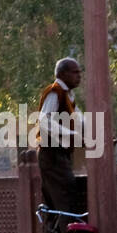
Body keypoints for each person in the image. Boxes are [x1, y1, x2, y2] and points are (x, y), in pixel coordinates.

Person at [36, 57, 88, 219]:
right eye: (75, 72)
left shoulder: (68, 96)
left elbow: (80, 120)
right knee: (65, 199)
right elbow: (44, 121)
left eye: (79, 72)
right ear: (63, 74)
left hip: (60, 154)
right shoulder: (55, 91)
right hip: (51, 154)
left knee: (57, 202)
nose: (78, 76)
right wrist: (71, 135)